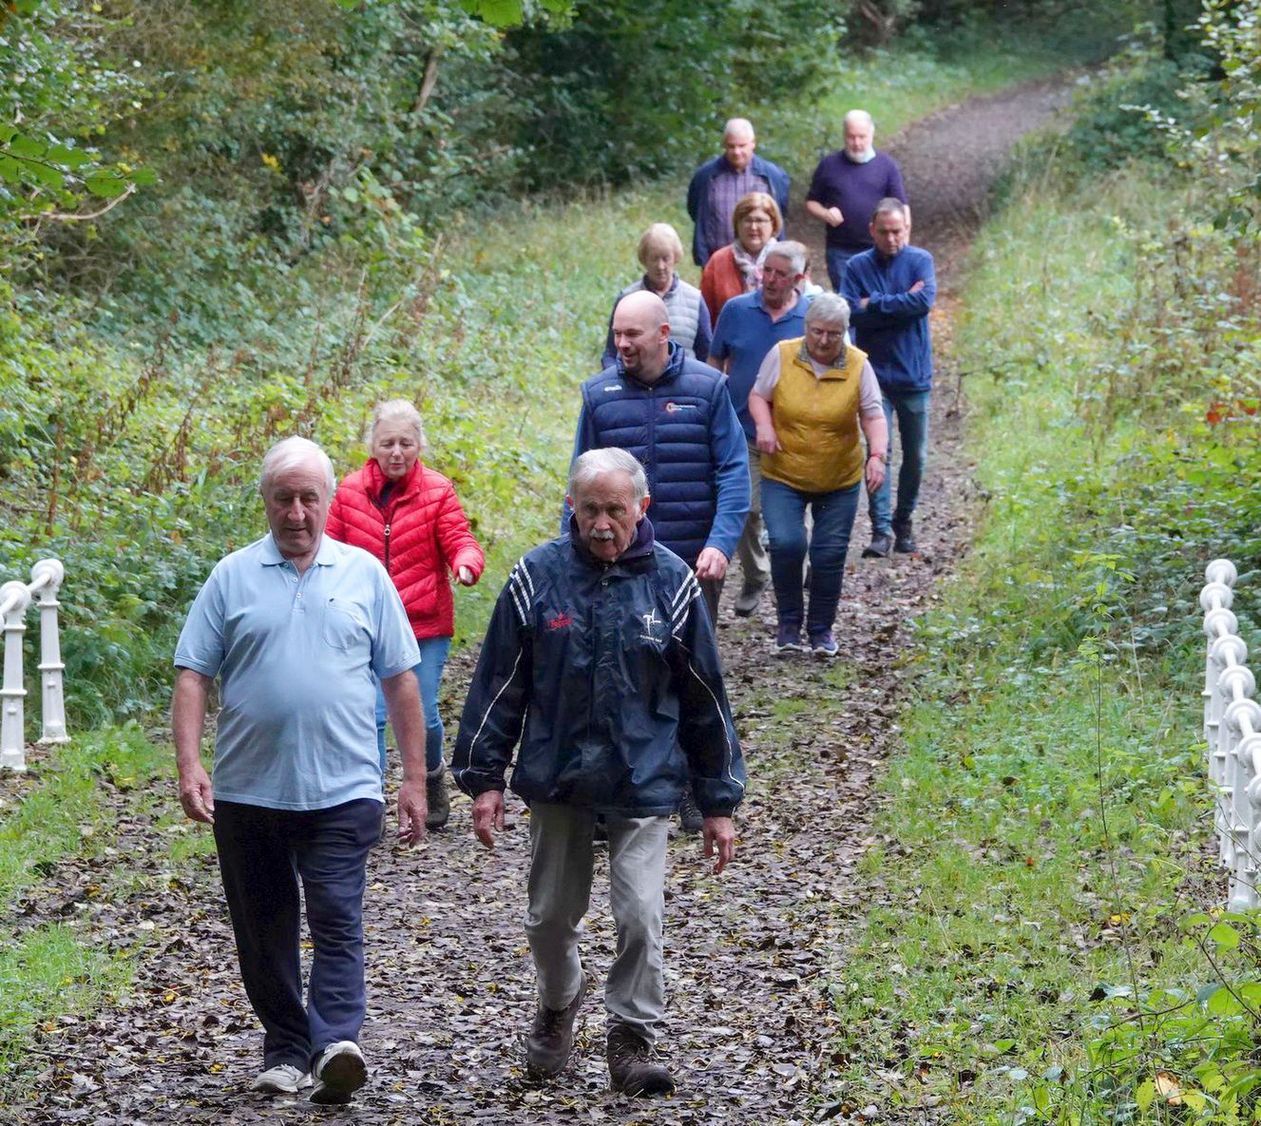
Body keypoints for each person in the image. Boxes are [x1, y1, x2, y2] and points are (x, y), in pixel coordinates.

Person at [453, 448, 746, 1097]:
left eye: (615, 510)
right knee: (549, 917)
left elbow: (703, 695)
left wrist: (717, 800)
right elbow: (500, 682)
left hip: (643, 776)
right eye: (590, 509)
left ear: (642, 508)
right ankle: (559, 1001)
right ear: (571, 508)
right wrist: (485, 778)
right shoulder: (536, 577)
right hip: (557, 773)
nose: (602, 524)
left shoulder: (671, 583)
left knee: (641, 913)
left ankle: (630, 1035)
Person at [172, 436, 427, 1105]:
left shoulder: (364, 575)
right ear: (266, 502)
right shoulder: (231, 577)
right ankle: (286, 1047)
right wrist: (190, 763)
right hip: (250, 789)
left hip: (343, 787)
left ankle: (336, 1042)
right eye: (283, 498)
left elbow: (402, 680)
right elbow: (193, 674)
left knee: (337, 913)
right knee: (263, 924)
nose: (295, 512)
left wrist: (413, 777)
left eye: (308, 498)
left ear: (328, 501)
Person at [325, 399, 484, 829]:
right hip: (366, 625)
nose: (397, 452)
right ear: (372, 446)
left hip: (423, 625)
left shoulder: (437, 490)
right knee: (371, 714)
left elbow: (459, 538)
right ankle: (368, 801)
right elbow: (327, 548)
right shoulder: (349, 491)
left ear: (419, 447)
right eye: (388, 443)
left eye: (406, 443)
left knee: (425, 712)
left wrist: (466, 563)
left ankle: (431, 776)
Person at [574, 290, 749, 626]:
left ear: (663, 333)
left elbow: (733, 470)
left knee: (690, 665)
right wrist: (573, 548)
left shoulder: (708, 388)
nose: (622, 343)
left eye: (633, 334)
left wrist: (721, 544)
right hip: (618, 557)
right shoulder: (598, 396)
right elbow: (579, 480)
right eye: (617, 334)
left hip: (693, 557)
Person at [746, 293, 889, 655]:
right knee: (787, 543)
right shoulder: (782, 354)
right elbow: (758, 396)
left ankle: (822, 630)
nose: (823, 340)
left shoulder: (859, 365)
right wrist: (764, 426)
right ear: (806, 327)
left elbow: (872, 414)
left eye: (833, 333)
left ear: (845, 333)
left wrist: (878, 456)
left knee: (828, 554)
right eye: (817, 331)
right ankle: (789, 625)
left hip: (838, 478)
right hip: (784, 471)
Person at [709, 240, 813, 617]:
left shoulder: (809, 319)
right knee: (744, 512)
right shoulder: (737, 310)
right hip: (742, 431)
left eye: (779, 274)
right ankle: (756, 574)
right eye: (765, 271)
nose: (769, 279)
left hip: (795, 437)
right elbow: (715, 359)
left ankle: (795, 586)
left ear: (798, 279)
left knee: (790, 517)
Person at [842, 198, 936, 557]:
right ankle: (880, 529)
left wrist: (875, 303)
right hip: (873, 376)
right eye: (885, 231)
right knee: (879, 452)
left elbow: (923, 302)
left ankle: (904, 520)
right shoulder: (856, 265)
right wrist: (897, 303)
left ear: (906, 229)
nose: (892, 238)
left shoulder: (920, 260)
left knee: (917, 455)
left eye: (898, 231)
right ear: (872, 231)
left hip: (914, 374)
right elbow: (851, 311)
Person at [805, 109, 908, 291]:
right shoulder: (829, 165)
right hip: (840, 250)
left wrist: (904, 238)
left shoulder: (887, 166)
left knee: (881, 299)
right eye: (851, 137)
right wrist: (826, 214)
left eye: (862, 137)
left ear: (872, 134)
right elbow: (811, 202)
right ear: (844, 135)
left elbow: (902, 206)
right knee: (848, 304)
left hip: (880, 249)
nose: (857, 143)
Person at [601, 223, 712, 366]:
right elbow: (611, 353)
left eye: (666, 258)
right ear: (644, 259)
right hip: (636, 385)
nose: (660, 266)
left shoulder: (695, 300)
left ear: (675, 258)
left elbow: (707, 355)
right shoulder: (627, 298)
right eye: (654, 259)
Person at [686, 117, 790, 268]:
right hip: (718, 263)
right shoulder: (706, 177)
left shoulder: (771, 176)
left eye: (742, 146)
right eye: (731, 146)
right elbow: (695, 211)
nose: (737, 152)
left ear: (753, 144)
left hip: (764, 265)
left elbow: (780, 212)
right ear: (724, 145)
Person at [699, 191, 784, 325]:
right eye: (747, 220)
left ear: (773, 224)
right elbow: (705, 315)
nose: (753, 227)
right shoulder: (718, 261)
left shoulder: (786, 260)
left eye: (760, 220)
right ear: (737, 224)